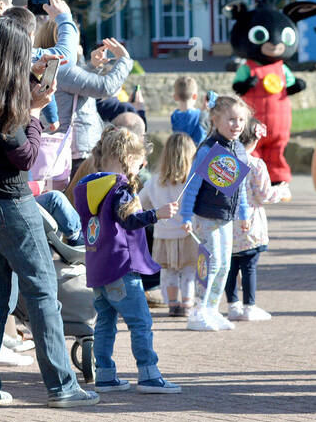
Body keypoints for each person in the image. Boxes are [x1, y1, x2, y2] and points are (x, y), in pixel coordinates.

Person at [0, 16, 98, 408]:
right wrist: (32, 111)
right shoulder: (1, 102)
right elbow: (25, 157)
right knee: (43, 291)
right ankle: (62, 387)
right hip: (9, 200)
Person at [73, 127, 181, 393]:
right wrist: (158, 214)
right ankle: (148, 374)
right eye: (138, 158)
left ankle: (106, 374)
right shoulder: (121, 188)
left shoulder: (88, 186)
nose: (140, 164)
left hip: (98, 268)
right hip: (122, 267)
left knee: (105, 324)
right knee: (140, 322)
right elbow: (129, 219)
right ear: (126, 157)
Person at [183, 94, 251, 332]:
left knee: (224, 265)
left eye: (241, 120)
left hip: (227, 218)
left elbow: (239, 187)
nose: (237, 125)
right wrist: (185, 216)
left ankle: (212, 309)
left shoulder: (239, 149)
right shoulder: (207, 150)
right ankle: (197, 311)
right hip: (206, 216)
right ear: (215, 119)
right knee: (209, 263)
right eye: (231, 119)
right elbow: (191, 186)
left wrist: (243, 214)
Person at [38, 24, 133, 178]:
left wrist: (92, 66)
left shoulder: (50, 66)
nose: (79, 45)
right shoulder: (63, 68)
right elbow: (105, 87)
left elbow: (75, 87)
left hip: (63, 149)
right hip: (76, 152)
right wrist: (124, 60)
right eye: (76, 40)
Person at [226, 119, 285, 322]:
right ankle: (249, 305)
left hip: (229, 222)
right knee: (249, 266)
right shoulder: (256, 164)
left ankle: (232, 305)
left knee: (231, 266)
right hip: (250, 222)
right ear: (255, 140)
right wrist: (281, 191)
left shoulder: (227, 162)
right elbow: (263, 195)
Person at [140, 132, 199, 316]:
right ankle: (187, 304)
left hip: (163, 234)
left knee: (169, 272)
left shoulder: (154, 182)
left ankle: (172, 304)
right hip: (187, 234)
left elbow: (141, 203)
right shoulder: (193, 182)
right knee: (189, 270)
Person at [170, 75, 208, 145]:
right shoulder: (202, 115)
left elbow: (189, 116)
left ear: (175, 97)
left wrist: (202, 110)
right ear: (195, 96)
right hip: (198, 154)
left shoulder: (174, 117)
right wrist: (205, 111)